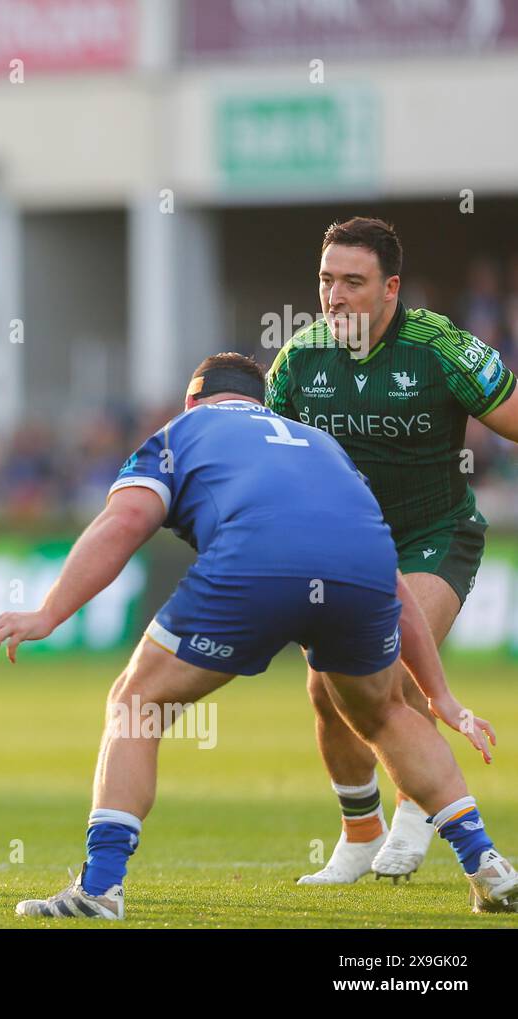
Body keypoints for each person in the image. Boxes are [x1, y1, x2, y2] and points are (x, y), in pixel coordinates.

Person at [0, 352, 515, 920]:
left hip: (259, 561)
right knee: (384, 715)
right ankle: (487, 863)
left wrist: (48, 614)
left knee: (137, 703)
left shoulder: (184, 429)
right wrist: (439, 696)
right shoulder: (318, 443)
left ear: (193, 400)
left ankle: (100, 887)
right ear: (262, 403)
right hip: (362, 567)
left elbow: (124, 520)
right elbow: (393, 580)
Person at [267, 217, 518, 883]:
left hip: (434, 536)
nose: (335, 295)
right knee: (326, 691)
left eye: (354, 281)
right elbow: (269, 464)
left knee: (395, 672)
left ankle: (416, 811)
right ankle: (358, 834)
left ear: (390, 289)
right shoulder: (298, 360)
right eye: (327, 280)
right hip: (344, 549)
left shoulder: (439, 346)